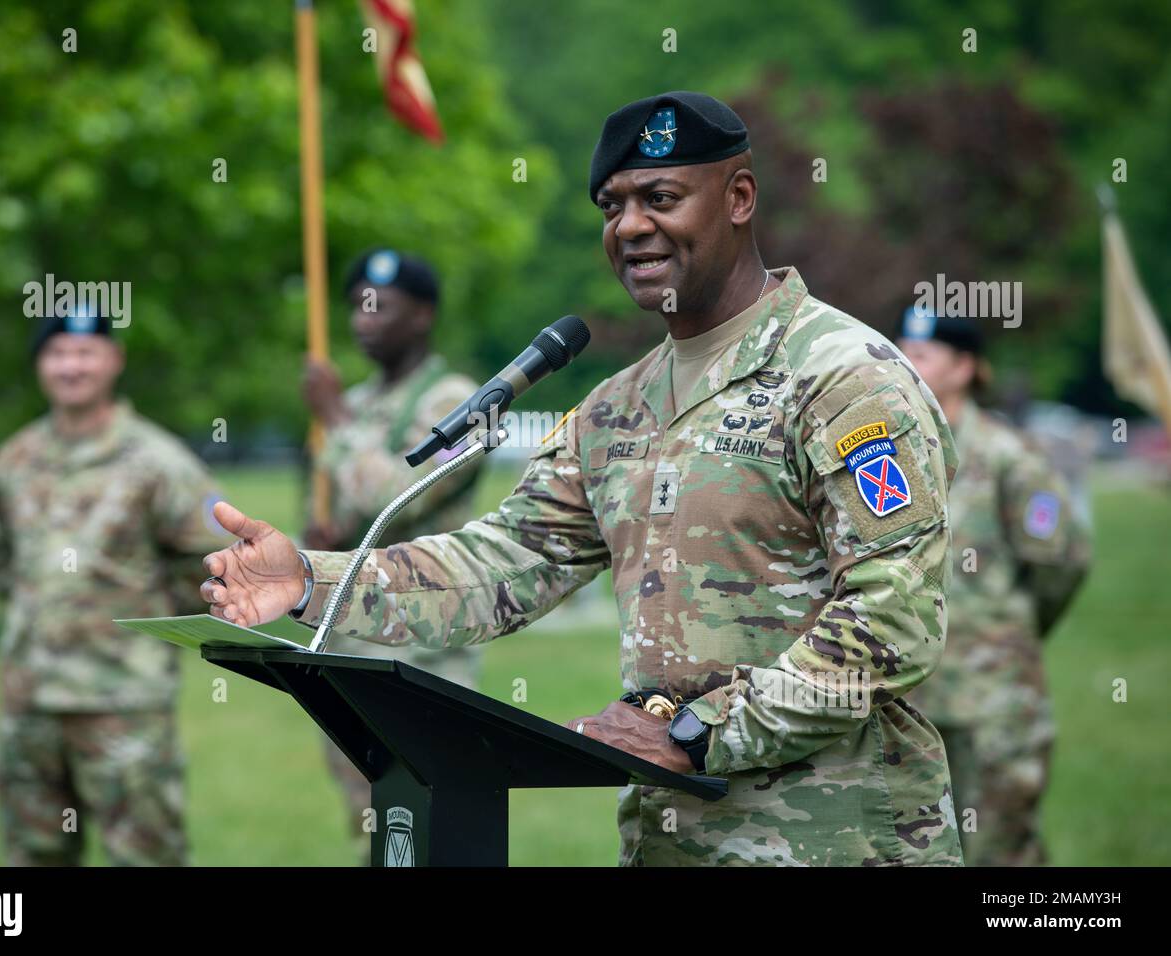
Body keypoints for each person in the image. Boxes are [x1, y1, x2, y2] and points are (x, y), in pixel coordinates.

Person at [201, 91, 965, 866]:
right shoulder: (615, 409)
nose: (630, 226)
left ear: (738, 198)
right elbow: (505, 562)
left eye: (659, 199)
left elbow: (891, 619)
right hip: (672, 842)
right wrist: (308, 581)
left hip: (841, 839)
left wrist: (700, 732)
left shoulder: (841, 378)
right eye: (612, 206)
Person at [0, 307, 225, 866]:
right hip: (30, 701)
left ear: (114, 360)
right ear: (40, 365)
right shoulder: (14, 459)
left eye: (85, 352)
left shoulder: (159, 462)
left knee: (146, 858)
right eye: (57, 352)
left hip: (123, 702)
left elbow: (207, 563)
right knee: (32, 858)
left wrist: (145, 628)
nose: (71, 366)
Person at [301, 248, 484, 858]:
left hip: (423, 650)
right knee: (372, 826)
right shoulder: (356, 400)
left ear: (423, 316)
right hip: (349, 645)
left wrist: (335, 420)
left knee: (429, 819)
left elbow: (398, 496)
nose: (363, 318)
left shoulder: (458, 401)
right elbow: (333, 517)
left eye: (382, 305)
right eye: (356, 304)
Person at [897, 309, 1090, 865]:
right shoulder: (888, 452)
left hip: (993, 701)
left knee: (999, 852)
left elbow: (1060, 564)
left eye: (922, 351)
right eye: (900, 346)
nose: (904, 361)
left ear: (964, 368)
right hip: (908, 701)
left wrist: (1010, 636)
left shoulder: (1012, 456)